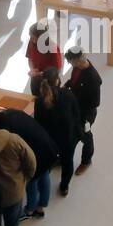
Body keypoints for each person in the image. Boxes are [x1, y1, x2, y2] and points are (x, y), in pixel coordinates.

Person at [0, 105, 58, 221]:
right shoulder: (13, 112)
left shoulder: (6, 131)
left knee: (32, 183)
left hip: (37, 155)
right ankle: (41, 207)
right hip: (48, 148)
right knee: (44, 176)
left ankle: (30, 210)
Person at [34, 67, 81, 197]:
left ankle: (43, 187)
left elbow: (38, 122)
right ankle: (64, 187)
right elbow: (77, 114)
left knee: (47, 162)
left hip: (50, 141)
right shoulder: (68, 94)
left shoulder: (39, 101)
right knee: (68, 163)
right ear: (57, 81)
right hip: (68, 139)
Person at [64, 46, 101, 176]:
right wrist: (66, 86)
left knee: (85, 136)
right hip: (75, 108)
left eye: (71, 62)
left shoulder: (92, 78)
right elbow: (73, 81)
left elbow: (95, 102)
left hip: (86, 114)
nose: (70, 64)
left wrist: (77, 100)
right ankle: (63, 157)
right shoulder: (77, 67)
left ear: (79, 60)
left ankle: (86, 161)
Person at [25, 20, 62, 96]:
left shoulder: (53, 48)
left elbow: (57, 70)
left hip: (50, 82)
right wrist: (32, 70)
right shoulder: (31, 43)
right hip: (36, 79)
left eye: (33, 37)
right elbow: (30, 58)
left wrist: (40, 74)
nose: (31, 39)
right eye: (30, 36)